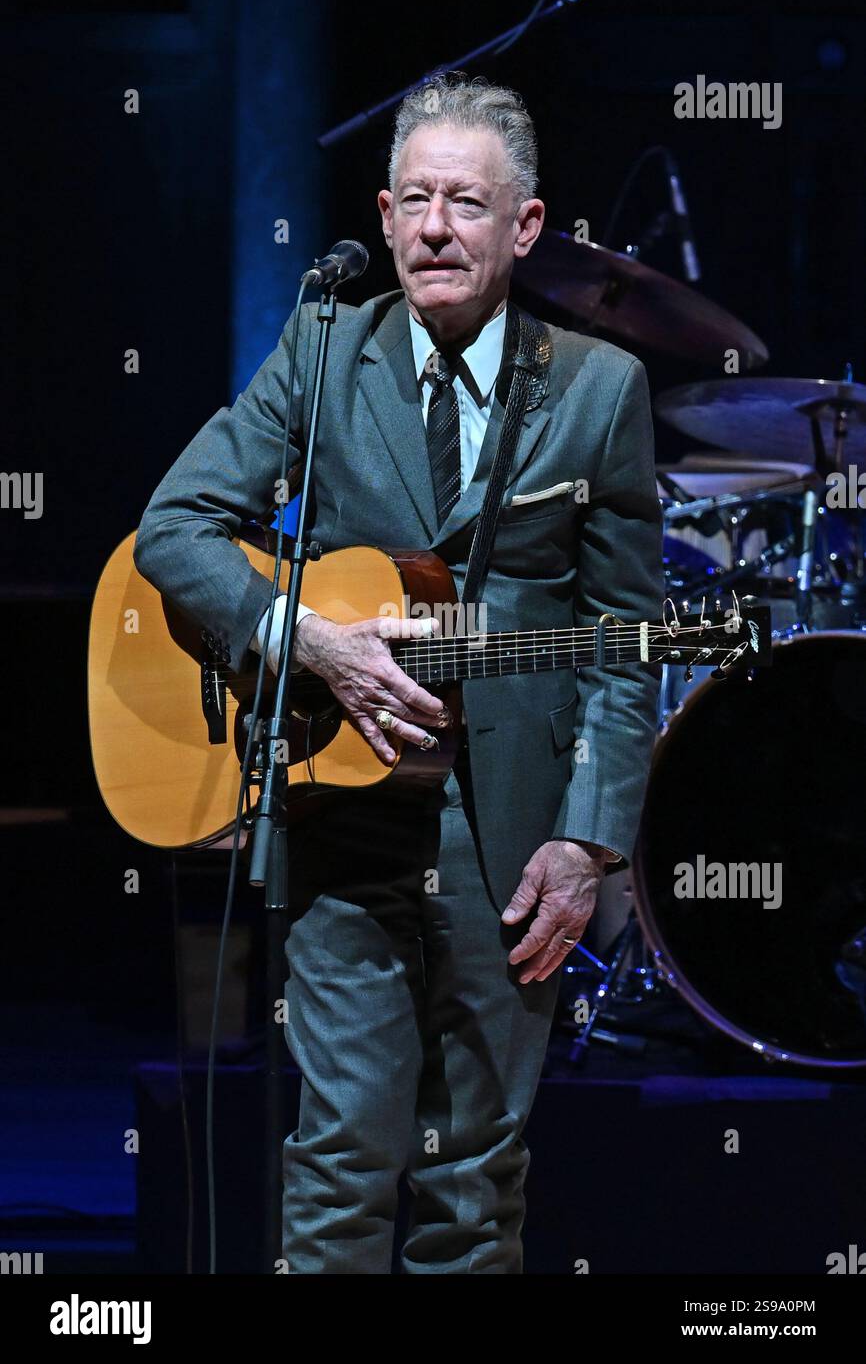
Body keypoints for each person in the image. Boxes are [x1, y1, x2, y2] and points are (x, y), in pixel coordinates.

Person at [134, 74, 663, 1273]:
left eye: (465, 203)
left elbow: (625, 638)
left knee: (474, 1183)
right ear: (380, 217)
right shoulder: (324, 350)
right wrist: (300, 636)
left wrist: (586, 844)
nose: (433, 228)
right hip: (340, 812)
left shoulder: (598, 387)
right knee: (337, 1164)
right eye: (412, 200)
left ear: (524, 227)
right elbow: (174, 529)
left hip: (514, 834)